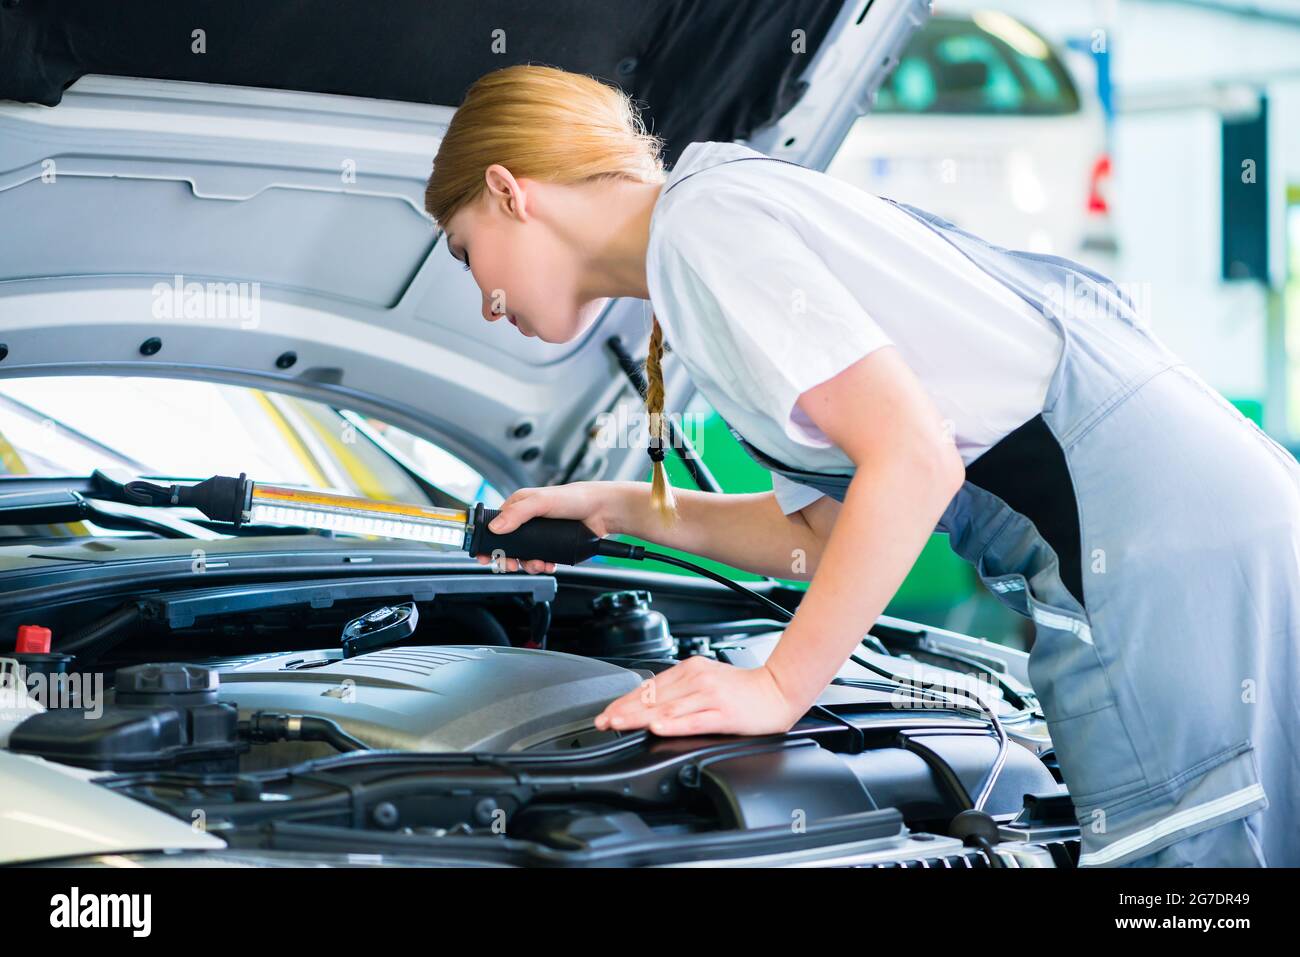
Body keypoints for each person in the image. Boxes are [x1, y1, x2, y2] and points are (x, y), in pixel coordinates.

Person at [424, 64, 1298, 867]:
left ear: (509, 192)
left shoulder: (704, 232)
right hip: (1201, 516)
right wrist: (622, 509)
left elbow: (914, 461)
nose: (482, 300)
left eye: (466, 253)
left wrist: (776, 685)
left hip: (1149, 552)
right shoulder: (712, 218)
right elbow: (826, 538)